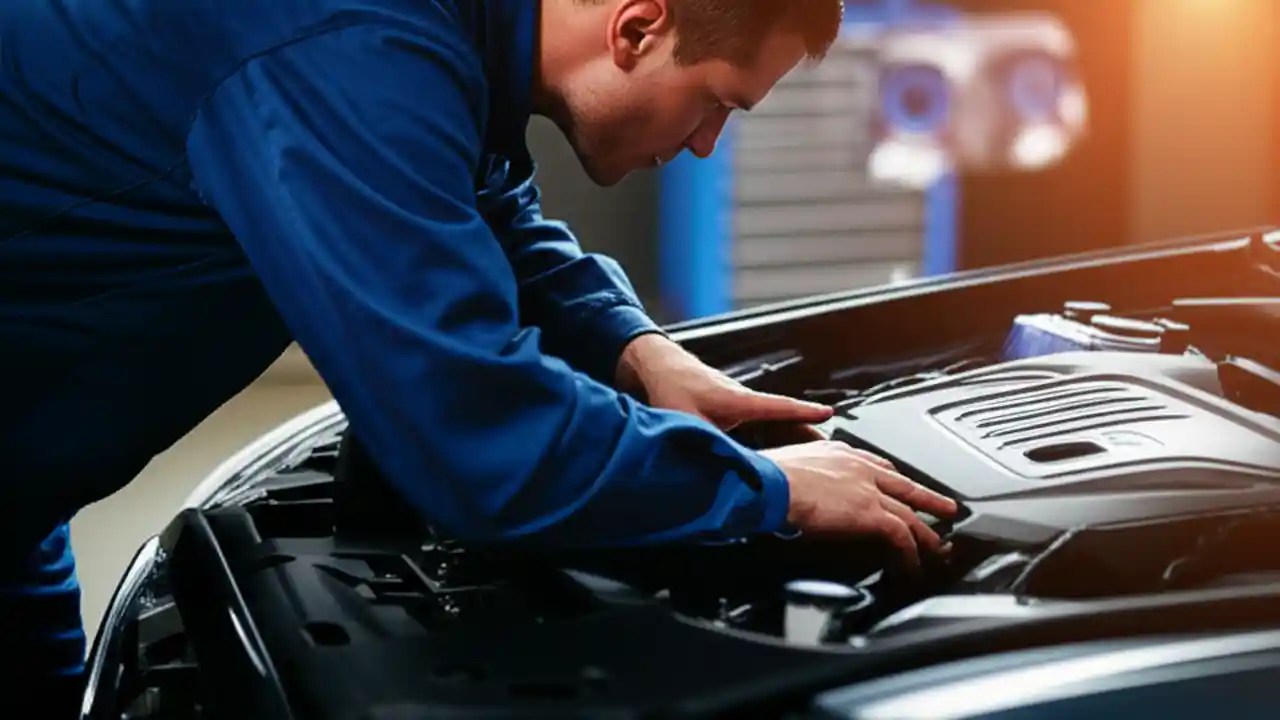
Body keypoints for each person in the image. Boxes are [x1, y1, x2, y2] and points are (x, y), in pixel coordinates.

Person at [0, 0, 957, 700]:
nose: (706, 144)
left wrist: (633, 349)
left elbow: (467, 192)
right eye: (716, 103)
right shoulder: (343, 43)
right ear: (637, 28)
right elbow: (469, 429)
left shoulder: (444, 30)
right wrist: (772, 490)